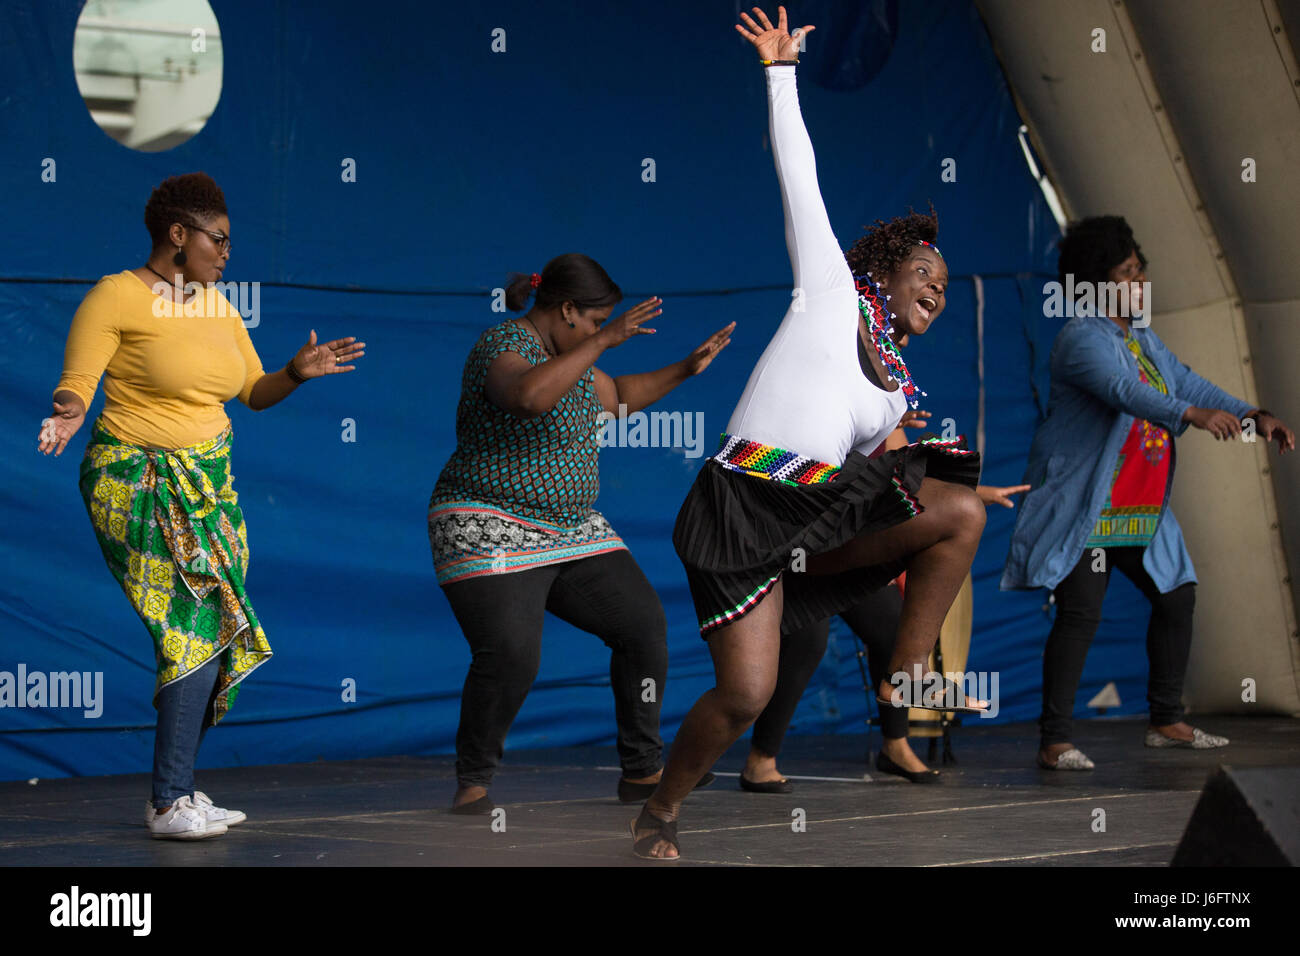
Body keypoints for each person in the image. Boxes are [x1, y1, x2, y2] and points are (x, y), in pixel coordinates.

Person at [630, 7, 986, 860]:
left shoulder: (898, 392)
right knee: (742, 695)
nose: (936, 289)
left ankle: (902, 681)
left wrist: (939, 482)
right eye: (924, 274)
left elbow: (878, 483)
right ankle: (664, 809)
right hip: (741, 504)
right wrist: (780, 71)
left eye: (944, 284)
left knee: (962, 508)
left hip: (815, 517)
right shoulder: (828, 288)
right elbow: (801, 171)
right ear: (885, 271)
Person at [38, 172, 365, 839]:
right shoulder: (118, 296)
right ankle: (167, 803)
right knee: (192, 624)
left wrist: (295, 374)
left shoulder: (219, 306)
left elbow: (252, 390)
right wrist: (68, 415)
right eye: (216, 239)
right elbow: (78, 382)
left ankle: (177, 791)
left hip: (210, 490)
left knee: (211, 630)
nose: (225, 252)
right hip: (138, 482)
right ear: (177, 235)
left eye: (229, 242)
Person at [429, 253, 734, 814]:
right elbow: (527, 397)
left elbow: (617, 397)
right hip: (486, 523)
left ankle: (643, 770)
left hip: (570, 530)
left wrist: (685, 369)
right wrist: (601, 342)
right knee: (513, 656)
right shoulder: (501, 347)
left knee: (643, 626)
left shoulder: (576, 357)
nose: (599, 333)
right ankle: (474, 779)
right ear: (567, 310)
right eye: (594, 322)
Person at [1000, 215, 1295, 770]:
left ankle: (1166, 719)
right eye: (1128, 272)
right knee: (1081, 612)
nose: (1140, 282)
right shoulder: (1080, 338)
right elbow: (1124, 392)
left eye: (1140, 271)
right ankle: (1054, 739)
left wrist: (1254, 416)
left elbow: (1187, 381)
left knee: (1176, 594)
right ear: (1095, 282)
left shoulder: (1141, 338)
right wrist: (1192, 415)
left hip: (1139, 505)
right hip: (1088, 504)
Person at [745, 419, 1027, 790]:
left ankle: (895, 746)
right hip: (805, 542)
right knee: (806, 644)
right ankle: (761, 759)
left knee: (894, 630)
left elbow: (902, 472)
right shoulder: (819, 400)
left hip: (854, 546)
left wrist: (976, 493)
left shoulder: (887, 398)